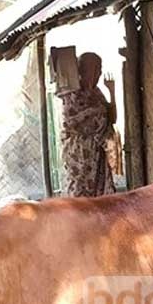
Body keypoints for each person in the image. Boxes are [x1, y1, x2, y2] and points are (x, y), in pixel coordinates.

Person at [58, 52, 118, 198]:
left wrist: (112, 91)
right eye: (97, 69)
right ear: (86, 70)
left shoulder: (96, 93)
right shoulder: (72, 94)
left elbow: (112, 118)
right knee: (80, 194)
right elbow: (69, 120)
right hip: (79, 154)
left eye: (100, 69)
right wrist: (96, 114)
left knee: (100, 197)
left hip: (97, 153)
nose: (100, 73)